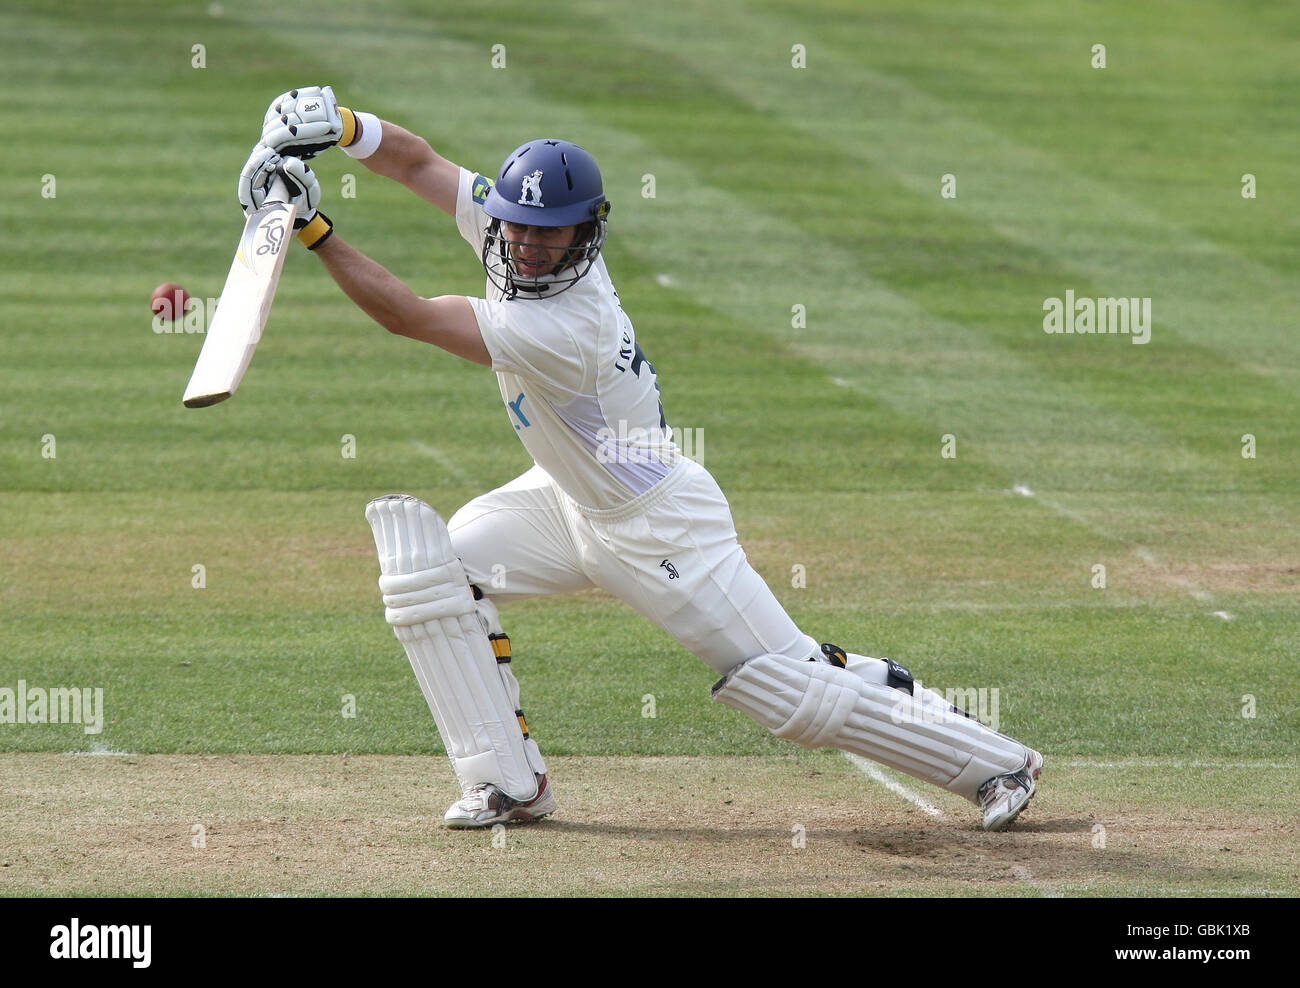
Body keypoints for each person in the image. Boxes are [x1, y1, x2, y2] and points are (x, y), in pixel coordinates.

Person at [237, 86, 1043, 831]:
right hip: (565, 503)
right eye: (516, 225)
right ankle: (509, 782)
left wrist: (313, 229)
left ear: (586, 233)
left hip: (659, 526)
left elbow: (408, 316)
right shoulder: (513, 224)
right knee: (432, 568)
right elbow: (415, 161)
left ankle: (999, 765)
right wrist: (340, 128)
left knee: (786, 689)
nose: (524, 244)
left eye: (548, 233)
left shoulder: (566, 329)